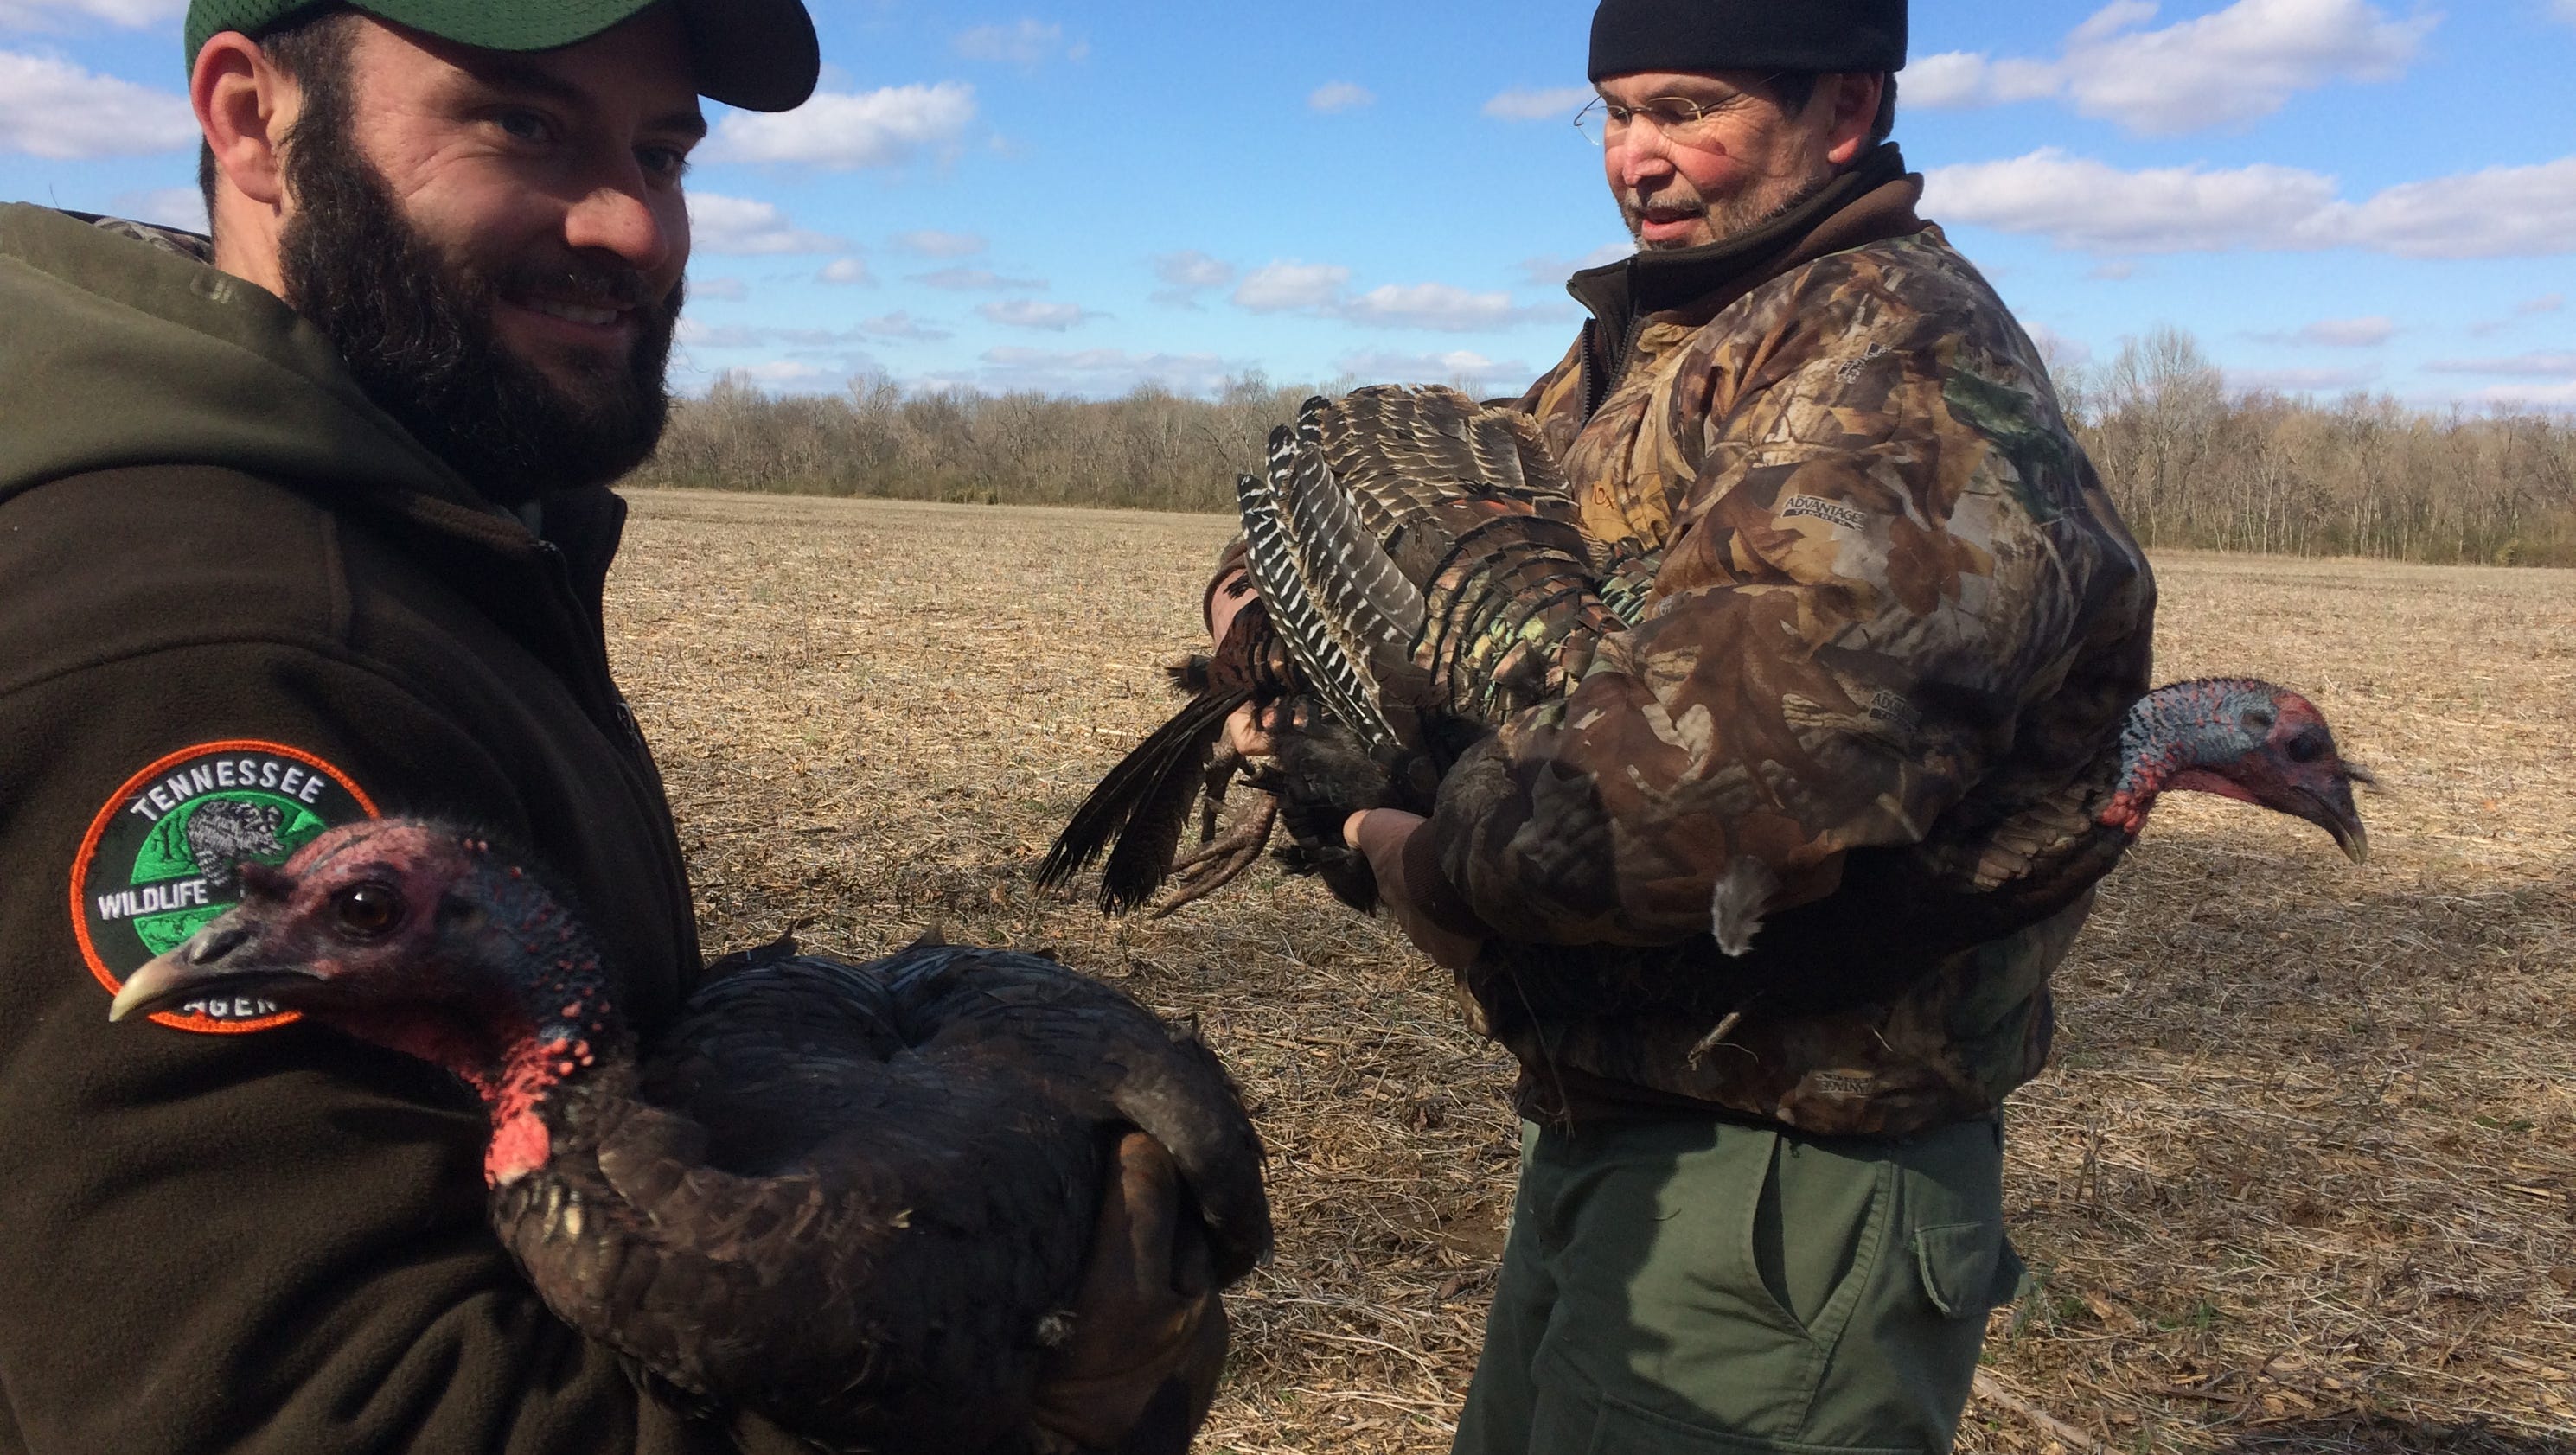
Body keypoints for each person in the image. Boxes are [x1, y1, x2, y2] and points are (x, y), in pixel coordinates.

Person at [0, 3, 1219, 1451]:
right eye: (521, 122)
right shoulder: (228, 653)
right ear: (253, 120)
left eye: (661, 152)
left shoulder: (425, 524)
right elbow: (312, 1409)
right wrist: (1026, 1405)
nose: (635, 226)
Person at [1216, 0, 2154, 1450]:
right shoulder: (1676, 340)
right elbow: (1436, 504)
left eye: (1686, 110)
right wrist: (1259, 613)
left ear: (1845, 111)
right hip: (1627, 1114)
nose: (1634, 158)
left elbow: (1706, 795)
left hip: (1786, 1176)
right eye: (1614, 112)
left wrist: (1406, 841)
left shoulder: (1898, 364)